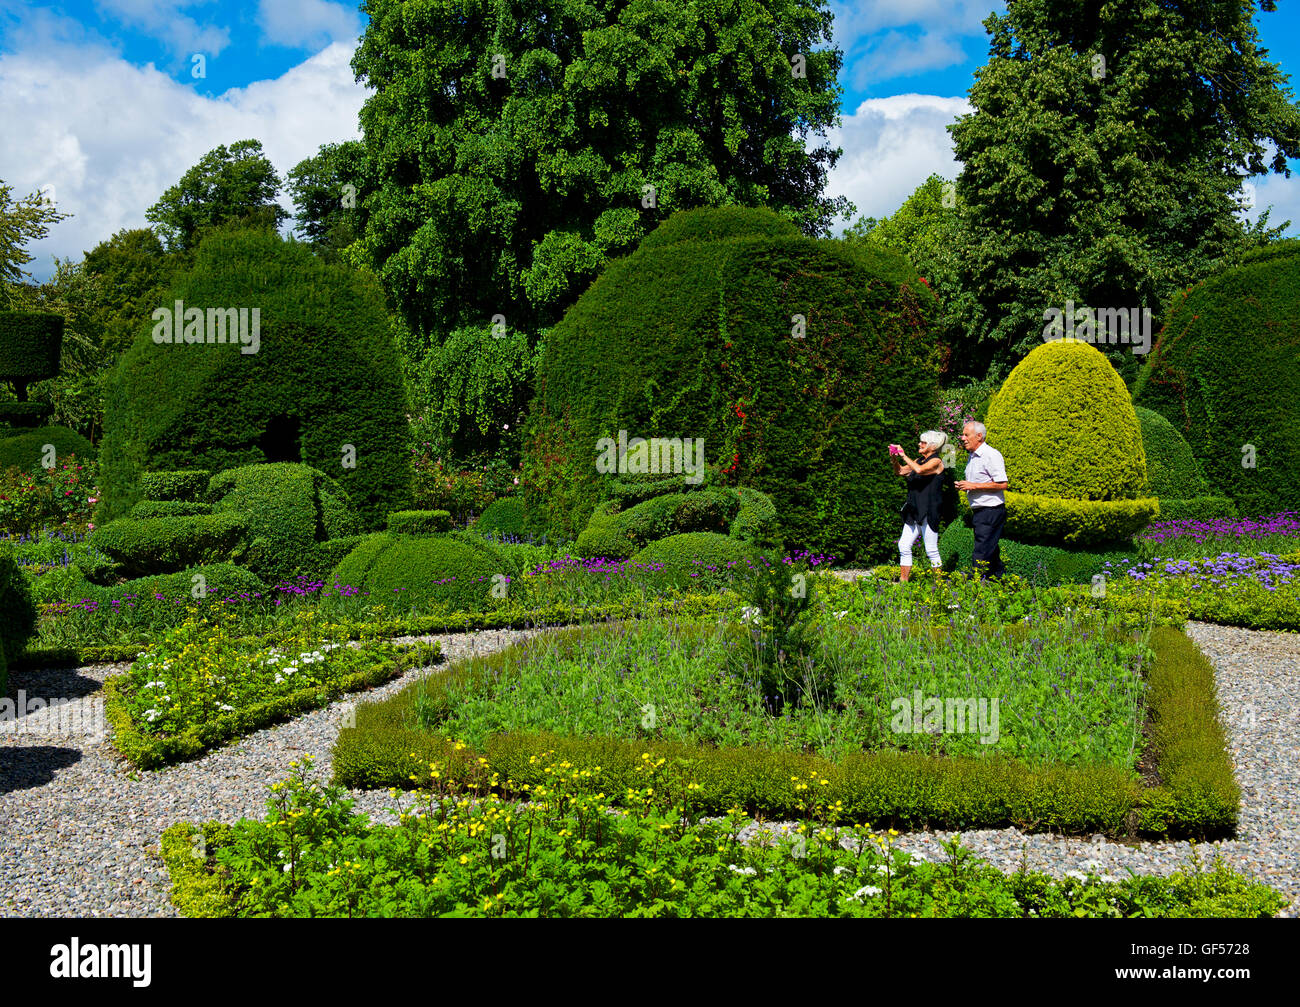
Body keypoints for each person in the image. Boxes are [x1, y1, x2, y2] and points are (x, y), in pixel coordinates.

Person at [889, 431, 947, 581]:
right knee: (903, 545)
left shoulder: (937, 462)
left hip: (929, 510)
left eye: (923, 442)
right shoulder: (918, 460)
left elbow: (920, 470)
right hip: (914, 510)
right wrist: (894, 459)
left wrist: (903, 455)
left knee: (931, 549)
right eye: (920, 441)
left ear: (933, 447)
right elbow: (901, 471)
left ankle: (939, 587)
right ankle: (903, 582)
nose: (919, 444)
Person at [955, 420, 1009, 579]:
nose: (962, 438)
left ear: (979, 436)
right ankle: (1003, 581)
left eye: (966, 435)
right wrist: (965, 486)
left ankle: (975, 584)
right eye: (963, 434)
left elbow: (1002, 484)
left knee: (982, 549)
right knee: (990, 551)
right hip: (980, 511)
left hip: (990, 511)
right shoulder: (972, 457)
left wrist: (974, 486)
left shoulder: (991, 455)